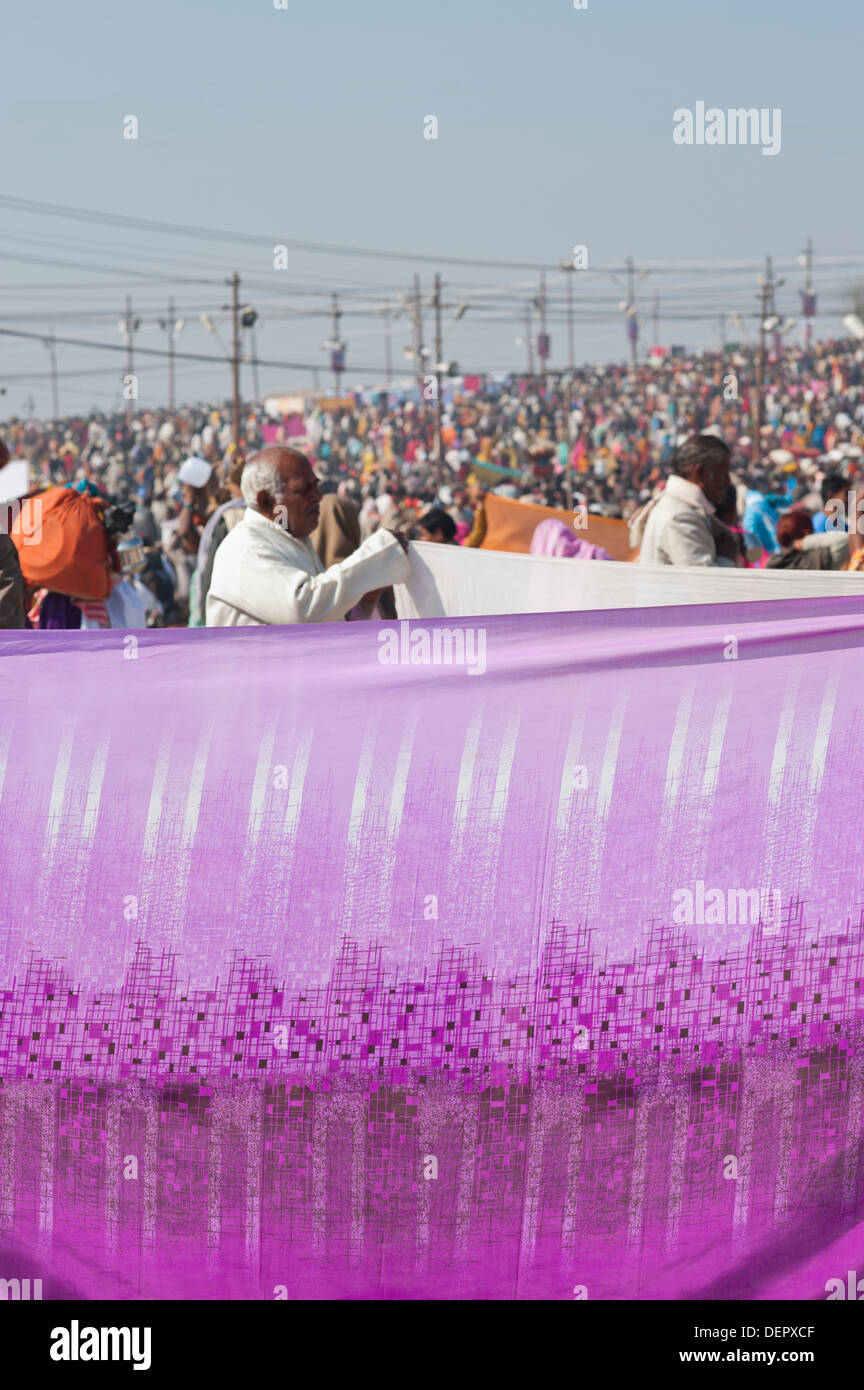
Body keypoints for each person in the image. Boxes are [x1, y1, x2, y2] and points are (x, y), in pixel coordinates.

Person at [206, 447, 410, 626]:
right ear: (267, 501)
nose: (318, 496)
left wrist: (366, 599)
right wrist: (376, 553)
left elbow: (325, 626)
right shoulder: (248, 547)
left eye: (316, 485)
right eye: (304, 489)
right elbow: (303, 612)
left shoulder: (291, 540)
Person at [629, 433, 731, 566]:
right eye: (723, 473)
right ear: (700, 473)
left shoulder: (677, 507)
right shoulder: (680, 517)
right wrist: (727, 558)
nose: (727, 482)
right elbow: (702, 582)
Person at [766, 509, 850, 570]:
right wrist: (802, 543)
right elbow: (844, 539)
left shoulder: (773, 562)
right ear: (807, 532)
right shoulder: (815, 559)